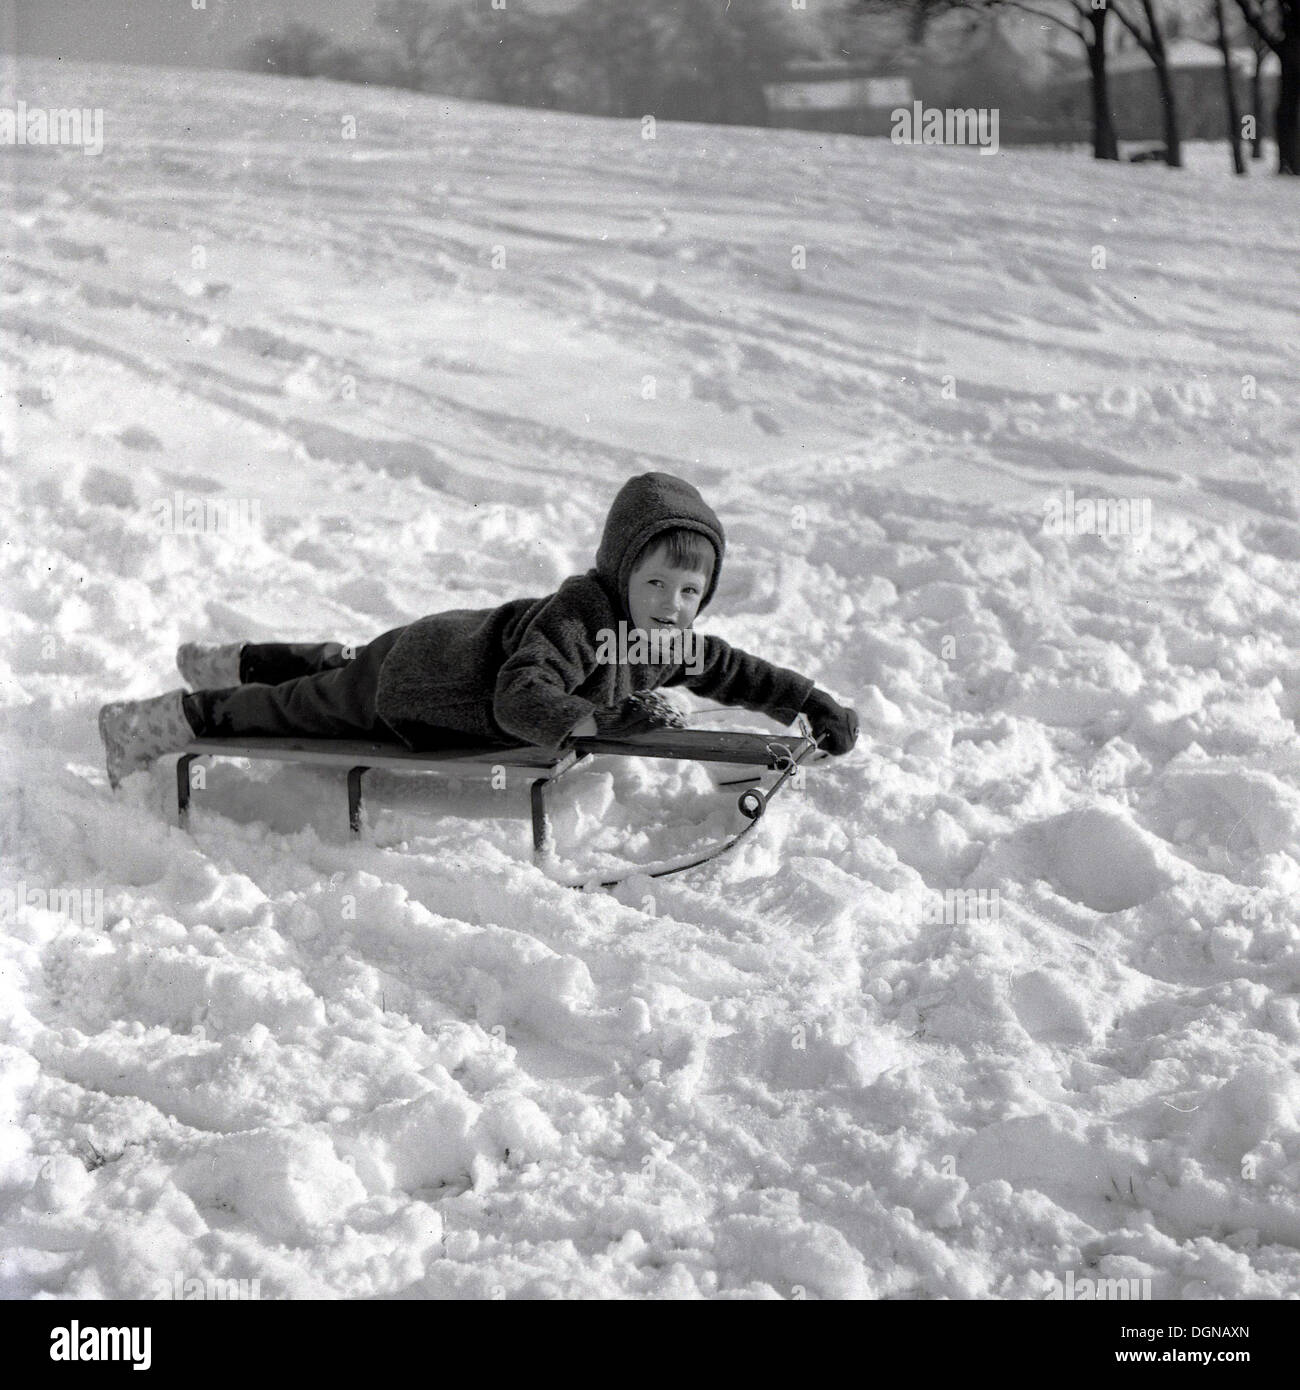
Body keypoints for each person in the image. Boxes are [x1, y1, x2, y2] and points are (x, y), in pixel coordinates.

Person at [98, 472, 859, 788]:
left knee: (339, 661)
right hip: (422, 681)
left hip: (452, 635)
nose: (669, 604)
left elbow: (737, 673)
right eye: (653, 582)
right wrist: (591, 715)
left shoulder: (665, 638)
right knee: (310, 701)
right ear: (618, 574)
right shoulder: (583, 619)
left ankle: (232, 658)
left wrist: (809, 703)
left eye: (688, 591)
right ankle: (156, 720)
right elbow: (518, 698)